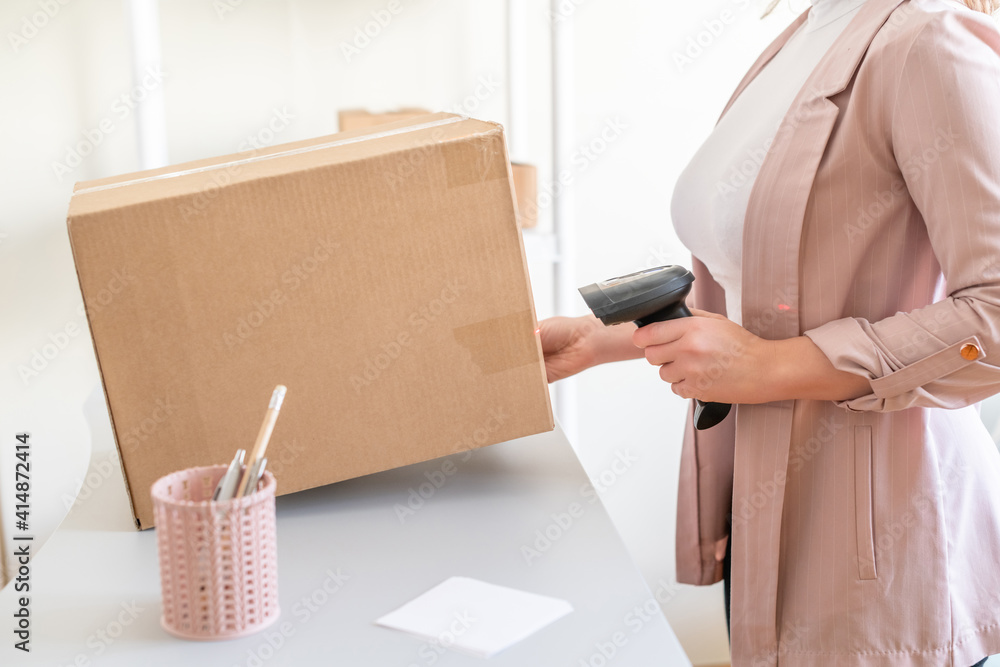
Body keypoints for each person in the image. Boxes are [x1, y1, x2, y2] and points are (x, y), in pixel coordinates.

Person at [540, 0, 1000, 665]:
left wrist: (772, 367)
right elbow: (776, 283)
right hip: (762, 524)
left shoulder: (931, 43)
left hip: (880, 555)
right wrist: (594, 341)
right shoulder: (805, 37)